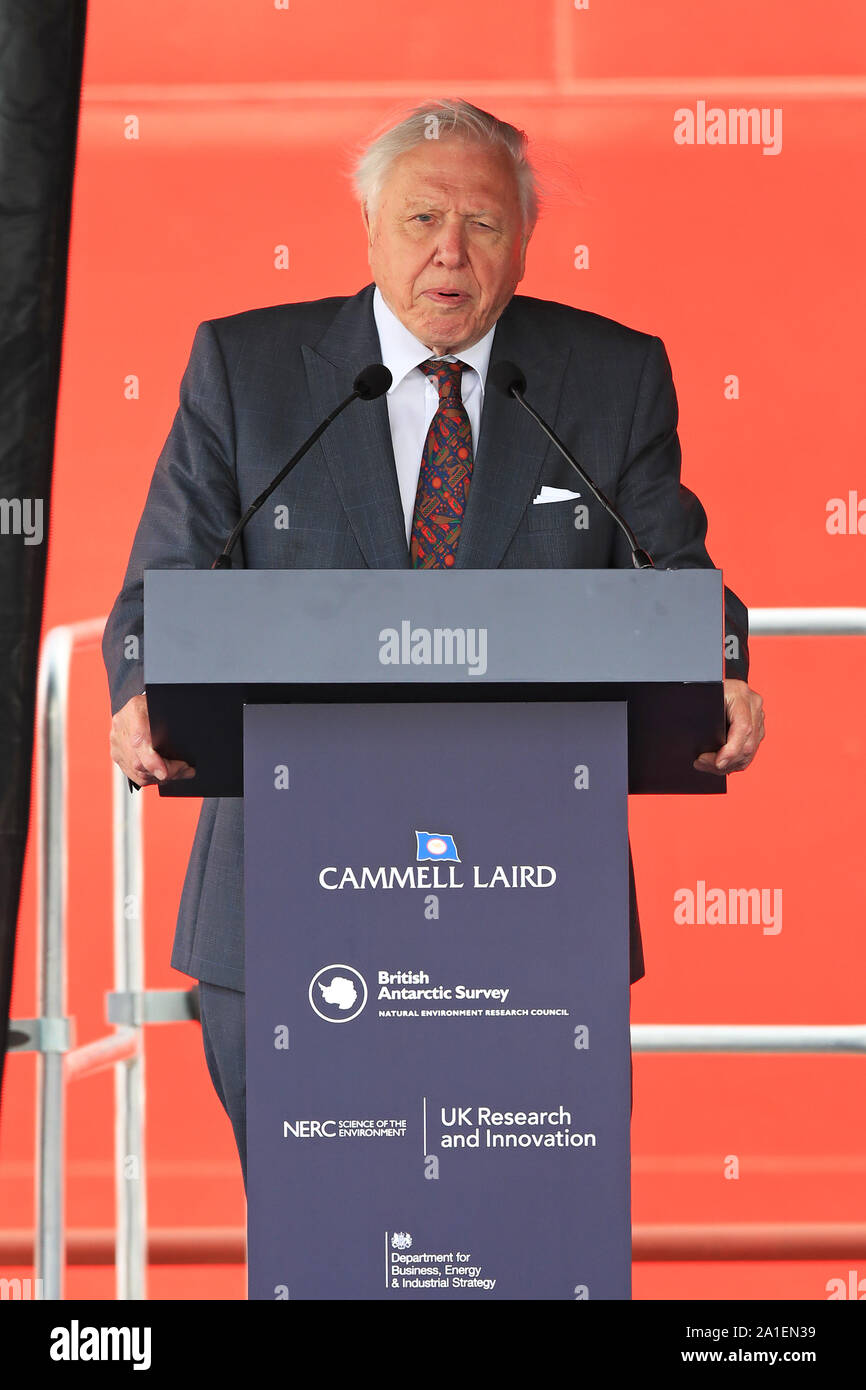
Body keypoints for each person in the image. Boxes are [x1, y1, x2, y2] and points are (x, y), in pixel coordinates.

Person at [103, 99, 765, 1187]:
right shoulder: (246, 367)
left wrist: (724, 668)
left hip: (530, 896)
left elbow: (676, 575)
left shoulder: (609, 375)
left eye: (482, 224)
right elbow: (159, 587)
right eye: (419, 219)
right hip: (285, 893)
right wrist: (138, 686)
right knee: (323, 1227)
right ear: (368, 227)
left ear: (524, 241)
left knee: (516, 1222)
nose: (448, 252)